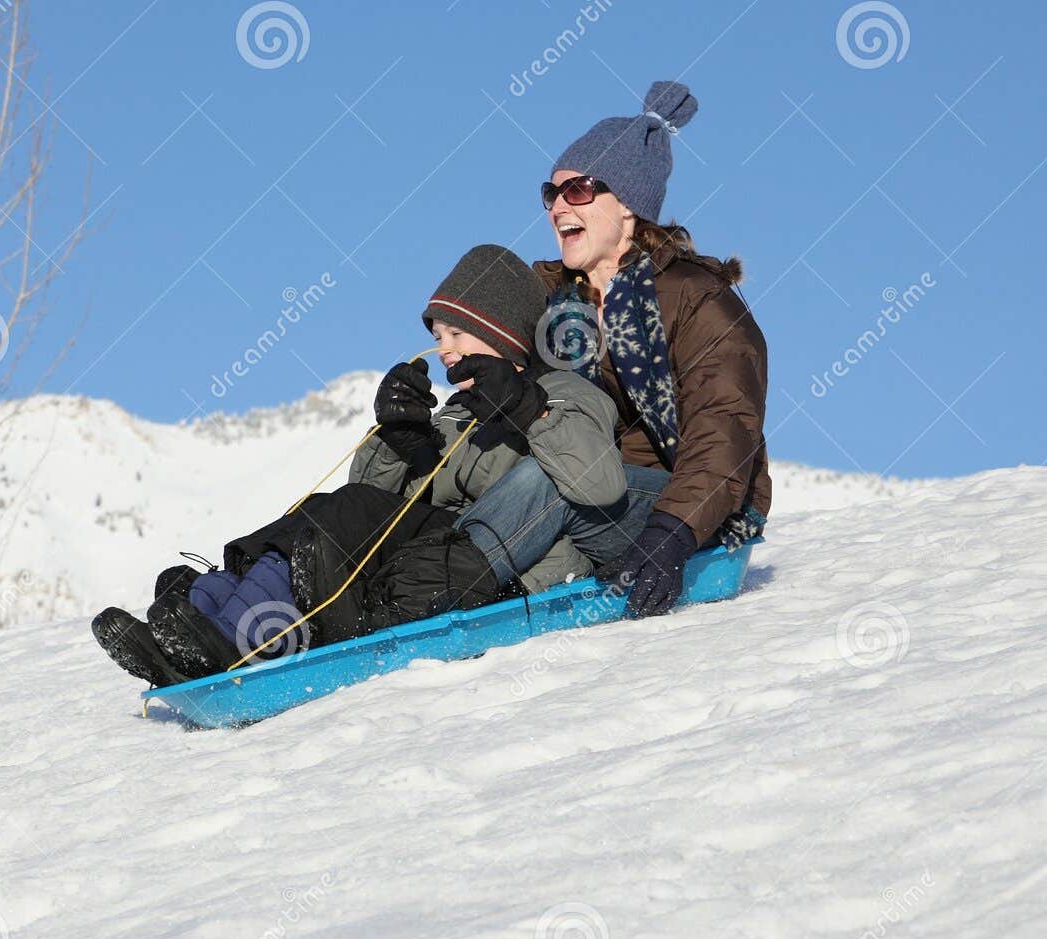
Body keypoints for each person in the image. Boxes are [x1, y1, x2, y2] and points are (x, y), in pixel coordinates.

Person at [91, 244, 627, 687]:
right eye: (438, 337)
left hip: (493, 557)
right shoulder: (456, 414)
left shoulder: (564, 392)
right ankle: (203, 615)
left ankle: (231, 633)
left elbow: (598, 480)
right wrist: (397, 439)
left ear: (503, 334)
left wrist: (527, 408)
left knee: (342, 513)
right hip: (426, 556)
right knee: (322, 511)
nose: (442, 350)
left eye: (456, 335)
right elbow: (375, 506)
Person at [454, 80, 772, 618]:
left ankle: (430, 593)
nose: (558, 206)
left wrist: (671, 532)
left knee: (554, 481)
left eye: (578, 190)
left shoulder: (697, 298)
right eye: (550, 193)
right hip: (589, 501)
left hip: (688, 513)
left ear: (628, 208)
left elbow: (724, 426)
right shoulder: (555, 304)